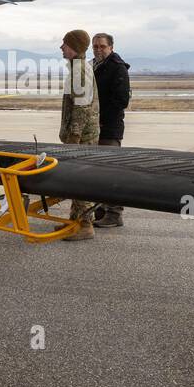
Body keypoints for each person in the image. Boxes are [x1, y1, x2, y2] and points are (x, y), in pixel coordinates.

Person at [57, 29, 100, 241]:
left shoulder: (80, 71)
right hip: (81, 135)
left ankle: (85, 225)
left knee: (80, 179)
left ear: (74, 47)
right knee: (75, 179)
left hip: (82, 137)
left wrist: (73, 137)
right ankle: (75, 222)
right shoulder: (77, 68)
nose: (61, 47)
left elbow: (82, 109)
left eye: (65, 44)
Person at [91, 32, 131, 228]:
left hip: (108, 128)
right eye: (95, 46)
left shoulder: (117, 68)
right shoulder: (94, 66)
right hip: (95, 127)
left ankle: (115, 213)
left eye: (102, 46)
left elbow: (121, 100)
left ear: (111, 47)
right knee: (97, 173)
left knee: (110, 172)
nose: (98, 49)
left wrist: (101, 119)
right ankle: (101, 211)